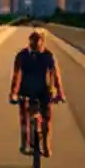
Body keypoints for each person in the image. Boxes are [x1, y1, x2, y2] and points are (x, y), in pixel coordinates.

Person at [8, 29, 66, 157]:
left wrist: (60, 92)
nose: (35, 43)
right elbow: (16, 75)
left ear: (42, 41)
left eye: (37, 40)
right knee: (24, 117)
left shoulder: (48, 56)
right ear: (30, 41)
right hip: (26, 90)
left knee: (47, 117)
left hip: (44, 91)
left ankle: (45, 144)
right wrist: (13, 93)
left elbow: (56, 74)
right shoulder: (22, 56)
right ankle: (24, 142)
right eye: (33, 40)